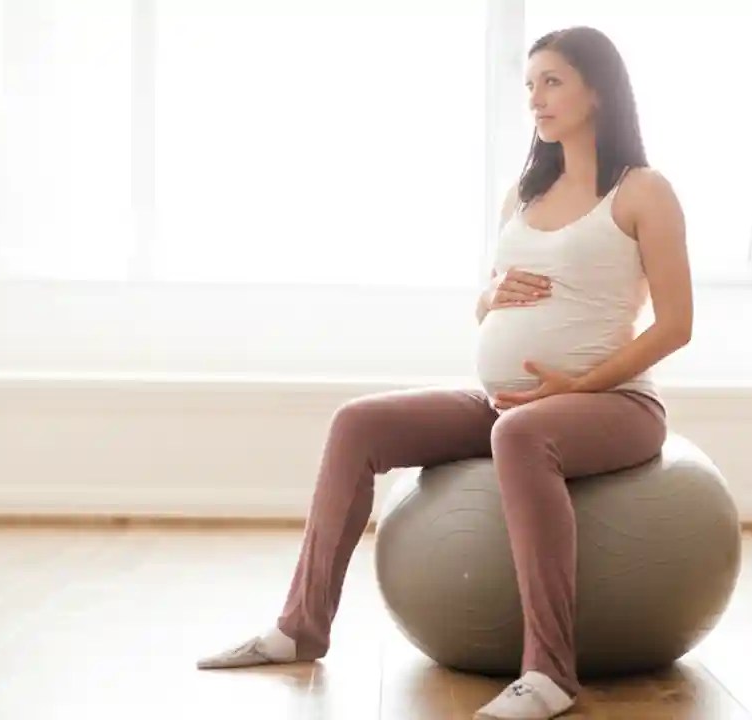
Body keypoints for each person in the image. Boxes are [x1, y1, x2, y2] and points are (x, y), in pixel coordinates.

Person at [196, 24, 693, 720]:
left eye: (551, 82)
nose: (535, 99)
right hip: (508, 402)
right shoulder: (525, 190)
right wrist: (489, 300)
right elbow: (492, 297)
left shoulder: (644, 192)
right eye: (529, 85)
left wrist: (576, 387)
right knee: (358, 423)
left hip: (614, 405)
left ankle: (549, 674)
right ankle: (300, 626)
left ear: (599, 91)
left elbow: (677, 326)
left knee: (520, 437)